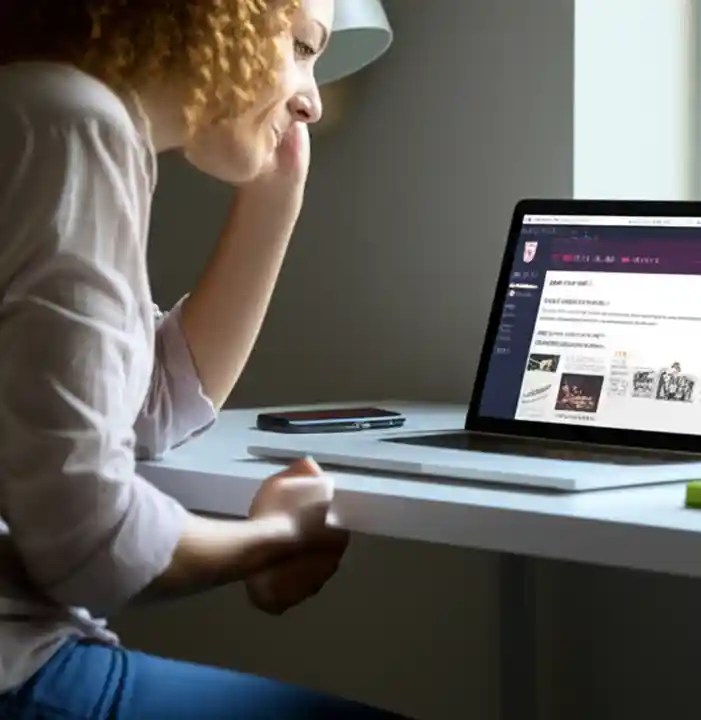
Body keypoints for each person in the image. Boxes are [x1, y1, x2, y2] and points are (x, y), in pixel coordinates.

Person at [0, 1, 405, 717]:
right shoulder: (72, 124)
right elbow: (88, 541)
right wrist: (274, 539)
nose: (311, 97)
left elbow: (142, 407)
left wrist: (276, 198)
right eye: (303, 47)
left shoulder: (47, 109)